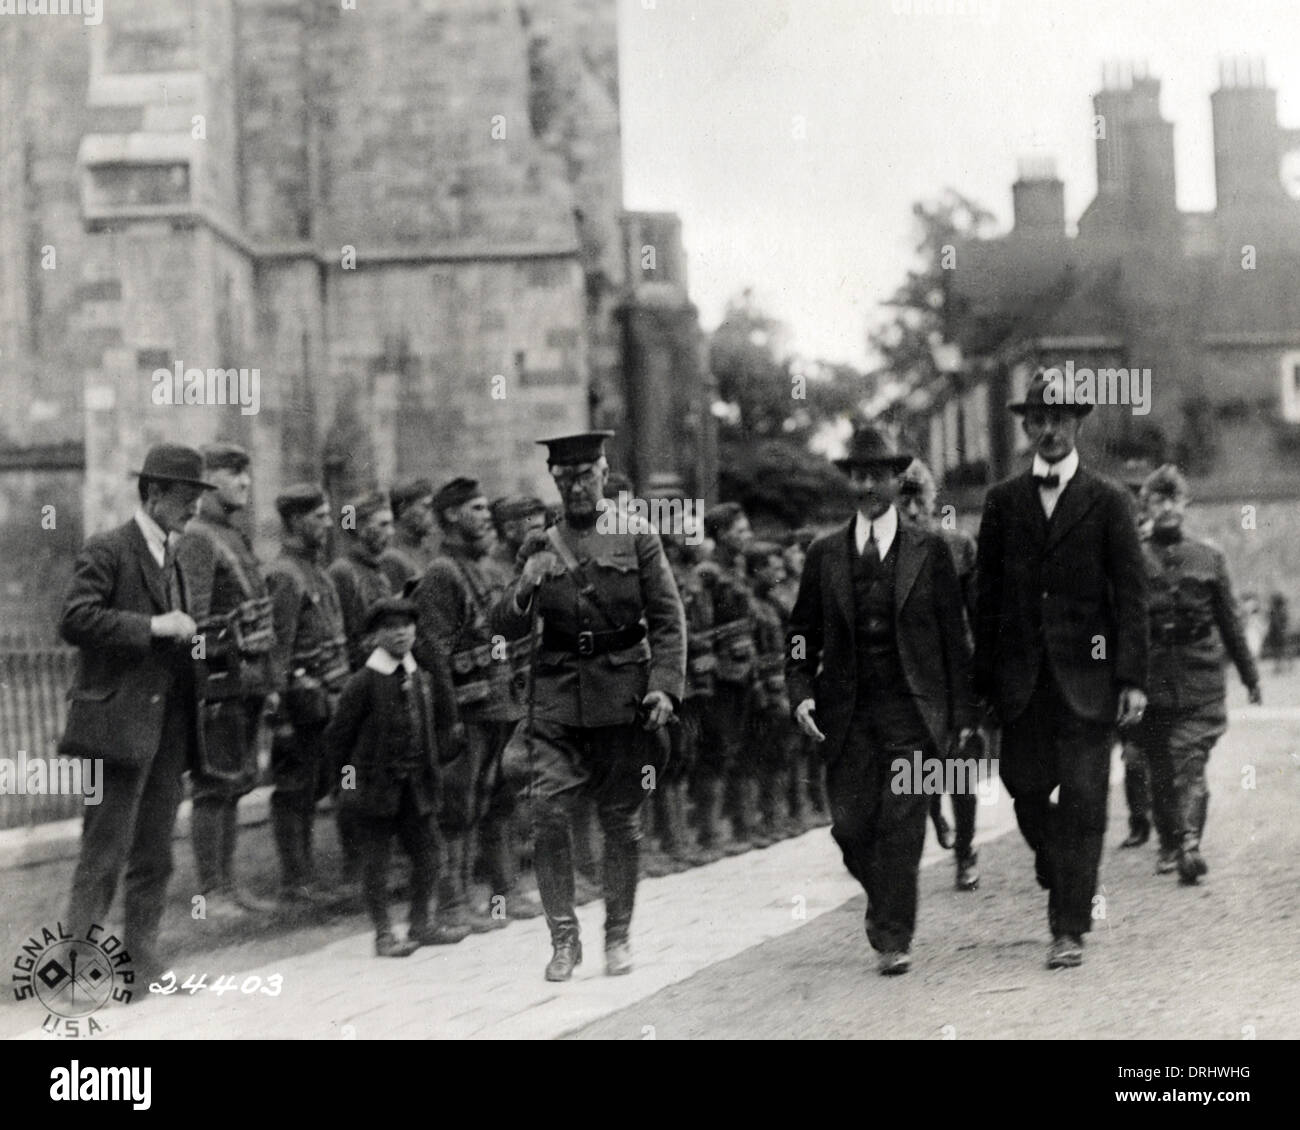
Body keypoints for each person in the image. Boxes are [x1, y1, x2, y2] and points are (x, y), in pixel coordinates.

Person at [493, 431, 685, 981]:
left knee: (621, 819)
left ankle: (618, 933)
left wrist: (664, 687)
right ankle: (562, 939)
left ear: (603, 473)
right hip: (553, 699)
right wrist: (525, 587)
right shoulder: (538, 544)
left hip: (623, 696)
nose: (576, 486)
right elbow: (502, 625)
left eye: (586, 475)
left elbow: (669, 619)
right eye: (564, 477)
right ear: (553, 479)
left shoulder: (639, 537)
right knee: (547, 815)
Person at [973, 371, 1148, 970]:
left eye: (1060, 421)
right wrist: (983, 682)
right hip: (1022, 683)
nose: (1049, 431)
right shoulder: (1002, 502)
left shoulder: (1109, 501)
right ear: (1026, 427)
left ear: (1077, 425)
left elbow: (1131, 595)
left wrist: (1130, 679)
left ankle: (1068, 926)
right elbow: (985, 597)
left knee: (1085, 800)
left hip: (1091, 681)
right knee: (1024, 788)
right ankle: (1058, 863)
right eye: (1038, 421)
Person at [787, 426, 974, 975]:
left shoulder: (932, 552)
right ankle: (885, 898)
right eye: (857, 476)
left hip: (913, 713)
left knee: (902, 822)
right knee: (849, 827)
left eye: (877, 475)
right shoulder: (824, 554)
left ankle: (894, 935)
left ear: (898, 480)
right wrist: (799, 690)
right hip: (846, 713)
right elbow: (801, 632)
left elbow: (952, 638)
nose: (866, 485)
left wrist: (963, 715)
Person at [60, 443, 217, 980]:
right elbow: (76, 619)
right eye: (187, 497)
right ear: (153, 494)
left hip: (167, 726)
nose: (195, 508)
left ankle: (140, 965)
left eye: (198, 497)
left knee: (155, 853)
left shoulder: (174, 557)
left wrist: (198, 645)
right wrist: (153, 627)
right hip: (115, 728)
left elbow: (176, 637)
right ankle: (76, 971)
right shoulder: (108, 549)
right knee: (104, 852)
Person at [1128, 465, 1261, 883]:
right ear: (1145, 505)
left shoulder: (1209, 558)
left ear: (1185, 504)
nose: (1166, 507)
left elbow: (1231, 623)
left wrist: (1250, 676)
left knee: (1190, 761)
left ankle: (1189, 846)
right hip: (1149, 683)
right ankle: (1169, 841)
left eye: (1173, 499)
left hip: (1200, 677)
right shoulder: (1130, 557)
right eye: (1157, 499)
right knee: (1159, 767)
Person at [413, 477, 534, 932]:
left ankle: (503, 896)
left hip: (500, 703)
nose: (486, 516)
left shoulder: (491, 569)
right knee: (457, 807)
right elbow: (433, 650)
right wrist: (448, 719)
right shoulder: (442, 572)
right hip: (466, 709)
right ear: (450, 515)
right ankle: (452, 905)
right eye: (476, 508)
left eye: (487, 508)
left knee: (496, 800)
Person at [325, 597, 468, 955]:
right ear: (375, 636)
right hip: (375, 788)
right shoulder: (363, 683)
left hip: (416, 784)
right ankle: (384, 933)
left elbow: (431, 730)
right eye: (390, 627)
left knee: (429, 854)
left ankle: (422, 923)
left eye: (406, 625)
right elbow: (338, 740)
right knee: (377, 860)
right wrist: (347, 789)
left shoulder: (421, 676)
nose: (401, 632)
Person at [176, 442, 278, 920]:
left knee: (236, 783)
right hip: (219, 682)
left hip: (247, 681)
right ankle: (211, 892)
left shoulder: (231, 535)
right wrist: (204, 682)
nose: (244, 482)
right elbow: (191, 618)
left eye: (246, 473)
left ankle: (230, 885)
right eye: (233, 473)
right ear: (208, 480)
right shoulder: (198, 536)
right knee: (214, 784)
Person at [897, 457, 982, 890]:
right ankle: (935, 818)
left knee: (959, 769)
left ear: (934, 502)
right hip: (910, 676)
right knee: (918, 768)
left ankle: (966, 851)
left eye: (920, 501)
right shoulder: (886, 553)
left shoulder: (958, 546)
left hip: (954, 672)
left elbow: (978, 614)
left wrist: (978, 674)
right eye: (903, 502)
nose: (912, 512)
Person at [264, 484, 350, 909]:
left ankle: (307, 878)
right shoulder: (285, 574)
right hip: (300, 704)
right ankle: (295, 882)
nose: (329, 523)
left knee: (316, 786)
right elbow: (276, 649)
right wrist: (277, 713)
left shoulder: (317, 570)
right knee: (294, 791)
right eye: (320, 516)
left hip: (327, 701)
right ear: (296, 521)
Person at [328, 489, 396, 886]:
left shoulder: (378, 570)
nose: (388, 532)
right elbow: (347, 636)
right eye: (381, 524)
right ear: (360, 527)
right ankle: (354, 865)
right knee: (352, 776)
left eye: (389, 524)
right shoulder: (344, 573)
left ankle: (375, 862)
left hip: (383, 684)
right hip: (358, 689)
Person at [701, 502, 760, 852]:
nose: (747, 536)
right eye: (740, 531)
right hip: (720, 673)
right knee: (717, 748)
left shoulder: (738, 569)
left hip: (744, 669)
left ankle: (742, 826)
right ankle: (711, 833)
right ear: (721, 534)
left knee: (740, 746)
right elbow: (703, 623)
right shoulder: (708, 573)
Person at [744, 540, 800, 843]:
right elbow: (751, 652)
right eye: (771, 568)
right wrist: (760, 691)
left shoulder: (773, 603)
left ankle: (775, 817)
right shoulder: (751, 605)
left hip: (779, 684)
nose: (778, 573)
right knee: (761, 755)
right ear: (757, 570)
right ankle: (758, 822)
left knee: (781, 752)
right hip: (761, 689)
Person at [1115, 459, 1156, 849]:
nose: (1137, 499)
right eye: (1132, 491)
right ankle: (1138, 820)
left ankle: (1163, 818)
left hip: (1160, 655)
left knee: (1158, 744)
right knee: (1131, 746)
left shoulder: (1165, 539)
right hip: (1125, 653)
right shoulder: (1116, 535)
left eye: (1142, 491)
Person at [379, 478, 437, 594]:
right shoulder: (389, 554)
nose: (433, 513)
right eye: (426, 506)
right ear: (403, 510)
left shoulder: (430, 549)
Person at [490, 495, 549, 574]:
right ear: (510, 529)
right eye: (535, 529)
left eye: (544, 528)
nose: (544, 535)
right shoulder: (493, 569)